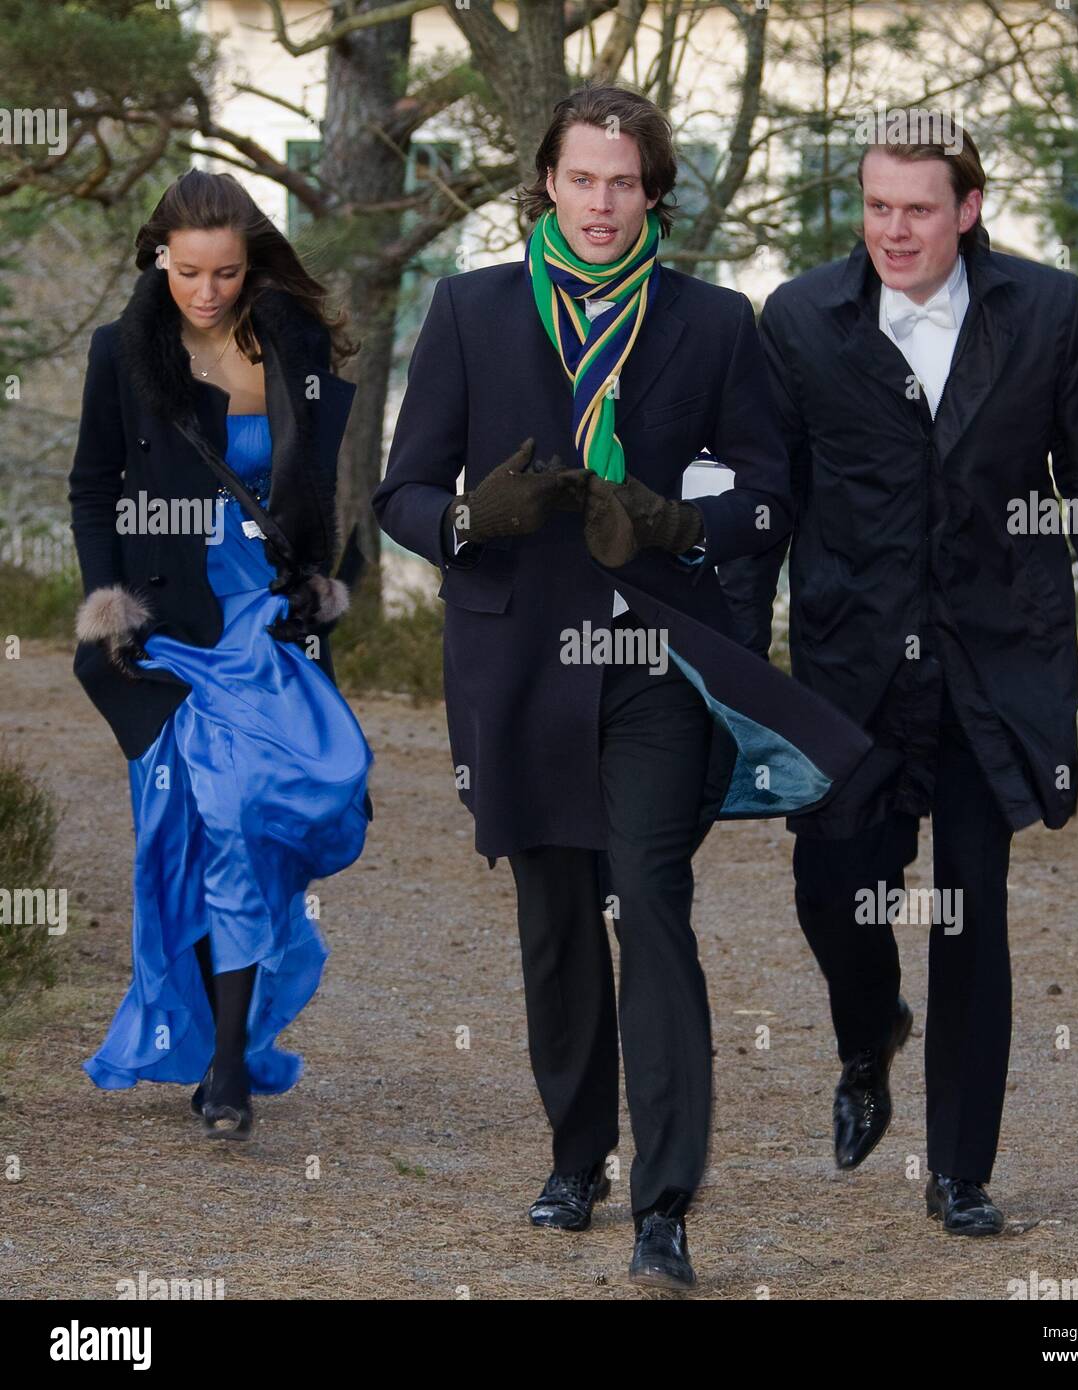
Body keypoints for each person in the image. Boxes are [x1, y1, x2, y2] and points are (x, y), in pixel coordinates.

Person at [373, 84, 886, 1289]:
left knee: (649, 902)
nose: (603, 204)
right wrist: (465, 518)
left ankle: (666, 1198)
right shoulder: (469, 308)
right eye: (582, 178)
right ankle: (574, 1156)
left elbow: (770, 496)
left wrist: (678, 523)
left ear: (655, 190)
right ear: (546, 182)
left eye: (626, 182)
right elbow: (396, 497)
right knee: (555, 920)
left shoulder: (715, 322)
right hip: (516, 660)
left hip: (660, 660)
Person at [719, 119, 1078, 1234]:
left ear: (967, 208)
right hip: (850, 664)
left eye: (918, 209)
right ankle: (869, 1035)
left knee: (973, 908)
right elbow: (773, 496)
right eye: (876, 207)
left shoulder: (1048, 310)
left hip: (993, 660)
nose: (893, 230)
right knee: (832, 886)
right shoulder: (801, 321)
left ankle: (960, 1171)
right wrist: (727, 660)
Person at [69, 169, 373, 1140]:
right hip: (167, 626)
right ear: (160, 255)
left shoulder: (292, 343)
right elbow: (90, 486)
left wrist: (322, 589)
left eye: (228, 272)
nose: (207, 291)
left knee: (254, 818)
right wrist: (105, 603)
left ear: (252, 263)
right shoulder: (124, 351)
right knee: (188, 837)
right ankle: (222, 1060)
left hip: (263, 623)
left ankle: (231, 1055)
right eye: (189, 271)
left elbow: (320, 484)